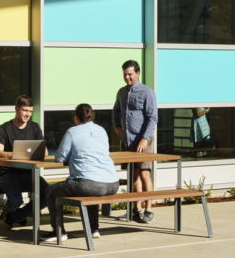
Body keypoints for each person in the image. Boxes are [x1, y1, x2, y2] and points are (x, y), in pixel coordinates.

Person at [0, 97, 57, 237]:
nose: (28, 114)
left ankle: (15, 216)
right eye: (25, 110)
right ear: (16, 109)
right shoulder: (4, 128)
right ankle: (13, 212)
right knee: (16, 201)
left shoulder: (34, 127)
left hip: (28, 173)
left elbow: (45, 152)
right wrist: (14, 154)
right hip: (8, 174)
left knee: (48, 193)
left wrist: (38, 152)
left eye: (30, 111)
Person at [54, 105, 122, 224]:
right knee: (91, 189)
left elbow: (60, 158)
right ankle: (94, 229)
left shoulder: (72, 132)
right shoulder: (101, 130)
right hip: (113, 184)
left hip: (90, 184)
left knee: (50, 191)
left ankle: (58, 231)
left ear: (76, 118)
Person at [112, 59, 159, 223]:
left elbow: (152, 117)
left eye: (130, 74)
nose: (127, 77)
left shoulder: (147, 92)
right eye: (125, 74)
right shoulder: (121, 92)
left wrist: (145, 139)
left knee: (144, 173)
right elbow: (116, 111)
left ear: (138, 73)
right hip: (128, 140)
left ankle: (149, 209)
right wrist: (117, 128)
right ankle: (135, 210)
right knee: (133, 174)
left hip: (143, 141)